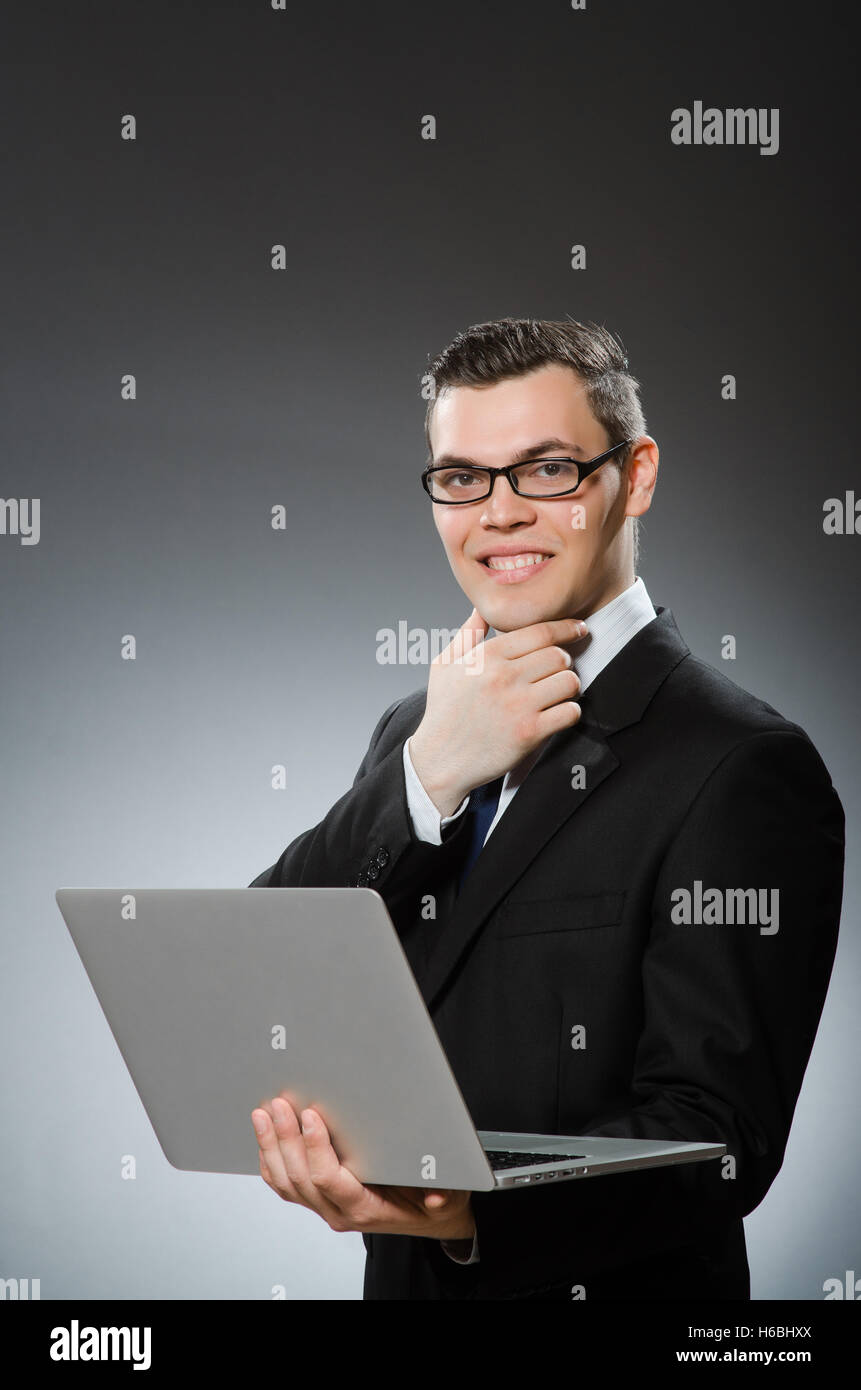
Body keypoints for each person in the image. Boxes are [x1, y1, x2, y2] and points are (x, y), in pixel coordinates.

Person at [247, 316, 845, 1300]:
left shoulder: (743, 767)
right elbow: (266, 963)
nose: (500, 513)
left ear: (635, 474)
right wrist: (429, 773)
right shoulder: (417, 728)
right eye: (462, 477)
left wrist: (474, 1203)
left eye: (549, 470)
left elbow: (719, 1139)